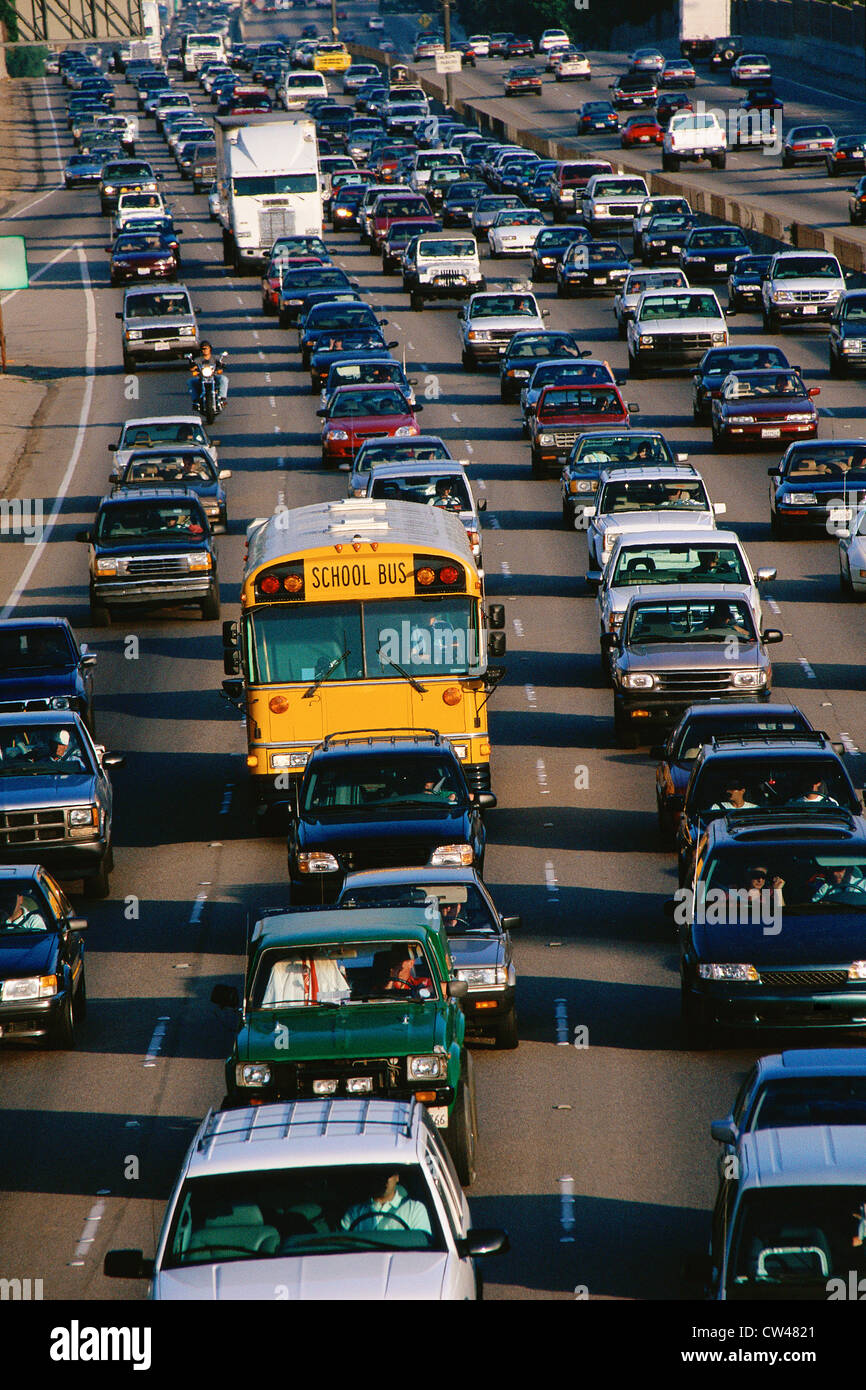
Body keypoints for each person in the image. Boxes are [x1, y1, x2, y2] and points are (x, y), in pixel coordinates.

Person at [340, 1172, 432, 1236]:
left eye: (387, 1174)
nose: (384, 1180)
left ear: (397, 1177)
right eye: (378, 1174)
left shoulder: (414, 1209)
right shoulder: (353, 1213)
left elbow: (422, 1249)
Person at [188, 340, 228, 408]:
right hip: (202, 377)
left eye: (206, 348)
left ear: (210, 349)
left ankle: (222, 398)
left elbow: (220, 365)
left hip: (213, 377)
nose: (205, 350)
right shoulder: (197, 359)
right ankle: (195, 400)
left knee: (224, 379)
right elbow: (192, 367)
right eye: (203, 349)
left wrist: (221, 367)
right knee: (191, 381)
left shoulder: (215, 358)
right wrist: (193, 368)